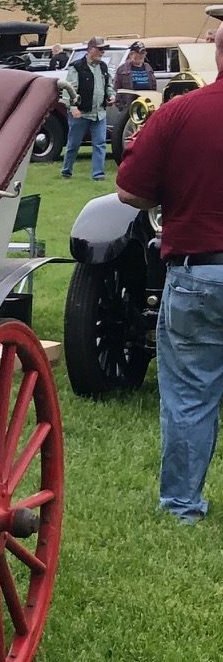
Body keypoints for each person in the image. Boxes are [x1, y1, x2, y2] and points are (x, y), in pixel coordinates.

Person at [116, 26, 223, 521]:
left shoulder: (179, 113)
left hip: (199, 270)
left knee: (190, 394)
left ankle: (182, 506)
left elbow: (130, 193)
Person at [59, 37, 115, 179]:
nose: (102, 52)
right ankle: (66, 171)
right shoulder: (76, 66)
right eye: (100, 49)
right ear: (90, 49)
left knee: (100, 144)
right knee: (73, 144)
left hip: (99, 113)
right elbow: (69, 89)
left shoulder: (103, 67)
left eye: (103, 49)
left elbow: (108, 85)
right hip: (81, 113)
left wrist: (111, 95)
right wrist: (73, 108)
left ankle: (98, 174)